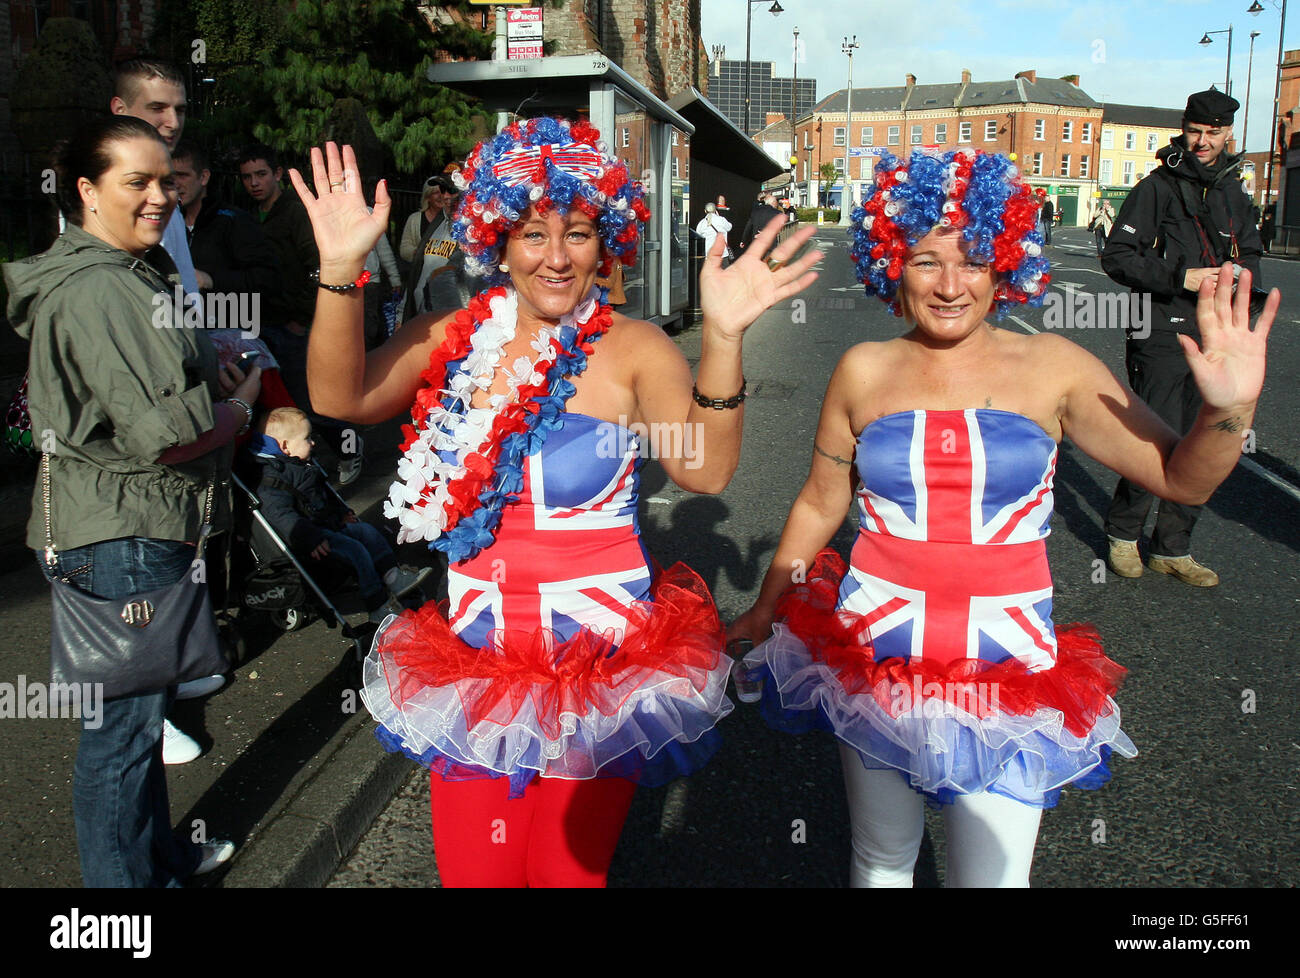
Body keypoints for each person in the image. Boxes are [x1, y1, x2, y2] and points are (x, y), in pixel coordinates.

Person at [291, 118, 820, 887]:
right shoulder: (454, 337)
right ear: (498, 242)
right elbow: (341, 394)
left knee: (564, 876)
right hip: (476, 663)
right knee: (480, 878)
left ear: (604, 241)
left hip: (596, 669)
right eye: (532, 233)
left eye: (577, 232)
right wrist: (341, 268)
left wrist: (728, 338)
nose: (556, 256)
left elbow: (702, 471)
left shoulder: (634, 349)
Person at [729, 147, 1275, 887]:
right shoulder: (862, 367)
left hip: (1007, 667)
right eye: (925, 261)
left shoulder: (1055, 367)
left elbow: (1181, 480)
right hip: (873, 658)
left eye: (974, 260)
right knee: (880, 860)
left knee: (991, 879)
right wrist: (767, 606)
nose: (951, 285)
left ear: (1006, 261)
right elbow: (822, 501)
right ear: (892, 263)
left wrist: (1230, 410)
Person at [3, 115, 263, 885]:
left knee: (137, 720)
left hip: (126, 527)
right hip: (121, 534)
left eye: (167, 180)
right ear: (85, 190)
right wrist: (243, 410)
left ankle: (159, 863)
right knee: (119, 736)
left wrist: (207, 358)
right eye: (137, 183)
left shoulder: (127, 271)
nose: (160, 197)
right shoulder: (104, 287)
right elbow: (162, 435)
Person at [110, 59, 227, 757]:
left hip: (183, 379)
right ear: (118, 106)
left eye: (178, 109)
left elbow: (179, 291)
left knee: (180, 539)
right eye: (156, 107)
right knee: (137, 553)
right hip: (141, 405)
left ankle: (172, 676)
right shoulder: (116, 191)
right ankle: (142, 713)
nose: (171, 121)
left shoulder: (162, 189)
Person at [1101, 89, 1262, 587]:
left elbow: (1253, 252)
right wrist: (1183, 278)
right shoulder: (1156, 186)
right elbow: (1118, 256)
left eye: (1214, 133)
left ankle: (1172, 548)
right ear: (1184, 128)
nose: (1203, 141)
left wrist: (1245, 295)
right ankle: (1124, 535)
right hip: (1162, 330)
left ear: (1228, 134)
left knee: (1206, 444)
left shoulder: (1235, 191)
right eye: (1196, 131)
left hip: (1221, 335)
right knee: (1158, 436)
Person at [240, 143, 366, 485]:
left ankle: (349, 449)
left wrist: (302, 315)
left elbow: (318, 267)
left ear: (277, 174)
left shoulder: (295, 213)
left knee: (316, 404)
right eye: (247, 177)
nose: (254, 183)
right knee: (284, 406)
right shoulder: (249, 217)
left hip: (296, 323)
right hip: (265, 323)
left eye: (261, 174)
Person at [250, 407, 429, 622]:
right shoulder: (271, 479)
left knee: (366, 531)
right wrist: (309, 538)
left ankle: (393, 576)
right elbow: (282, 516)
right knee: (356, 550)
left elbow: (323, 492)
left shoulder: (299, 463)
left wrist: (343, 511)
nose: (313, 443)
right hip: (312, 538)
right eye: (307, 439)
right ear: (285, 447)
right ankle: (377, 603)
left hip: (328, 522)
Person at [400, 172, 465, 324]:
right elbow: (419, 271)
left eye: (453, 189)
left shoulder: (471, 232)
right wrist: (401, 314)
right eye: (443, 190)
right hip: (420, 316)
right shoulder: (437, 224)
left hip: (449, 321)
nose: (446, 195)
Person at [741, 192, 783, 256]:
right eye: (776, 203)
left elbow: (748, 227)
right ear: (773, 203)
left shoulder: (755, 212)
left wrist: (743, 240)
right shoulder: (778, 213)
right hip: (770, 244)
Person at [695, 201, 733, 268]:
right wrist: (719, 217)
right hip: (722, 255)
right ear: (715, 210)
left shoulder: (702, 223)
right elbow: (729, 227)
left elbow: (697, 234)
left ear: (705, 211)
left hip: (709, 255)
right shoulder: (721, 220)